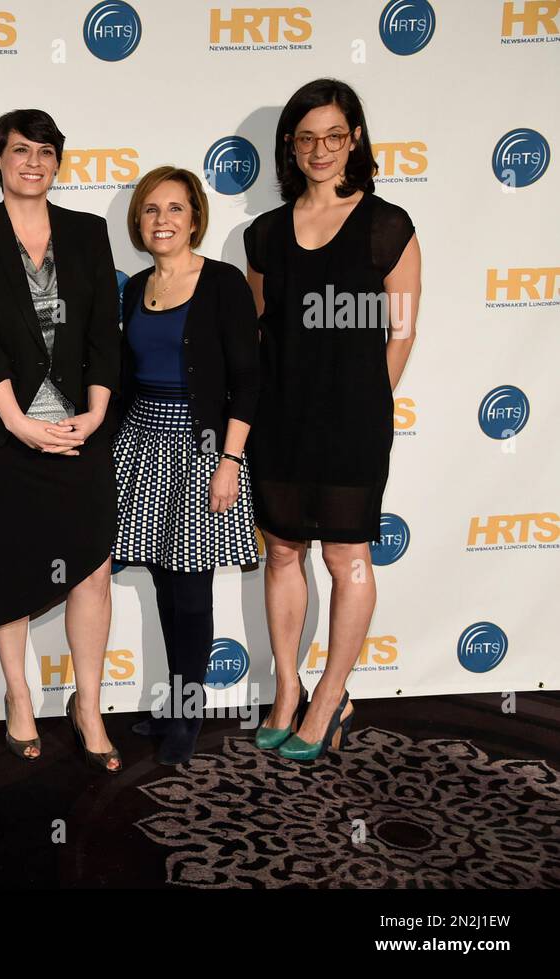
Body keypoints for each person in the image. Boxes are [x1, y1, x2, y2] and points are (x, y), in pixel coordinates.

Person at [244, 78, 420, 761]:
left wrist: (365, 404)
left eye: (334, 135)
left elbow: (399, 332)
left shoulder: (387, 225)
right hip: (280, 421)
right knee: (283, 549)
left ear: (355, 140)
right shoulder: (263, 233)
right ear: (291, 146)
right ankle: (286, 688)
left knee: (347, 556)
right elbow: (262, 333)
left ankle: (331, 694)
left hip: (352, 425)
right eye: (307, 137)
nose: (321, 149)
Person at [0, 109, 122, 772]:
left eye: (46, 152)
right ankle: (20, 698)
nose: (33, 162)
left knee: (92, 569)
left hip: (82, 431)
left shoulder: (87, 232)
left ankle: (90, 705)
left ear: (58, 162)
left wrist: (98, 410)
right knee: (11, 564)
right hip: (5, 435)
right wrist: (18, 422)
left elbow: (106, 330)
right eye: (20, 151)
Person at [113, 166, 260, 766]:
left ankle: (189, 712)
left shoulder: (222, 282)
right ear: (138, 222)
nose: (163, 220)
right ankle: (174, 700)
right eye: (151, 210)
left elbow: (249, 380)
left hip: (203, 447)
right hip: (141, 439)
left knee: (193, 591)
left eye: (175, 208)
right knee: (165, 589)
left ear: (195, 217)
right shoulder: (134, 287)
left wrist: (230, 458)